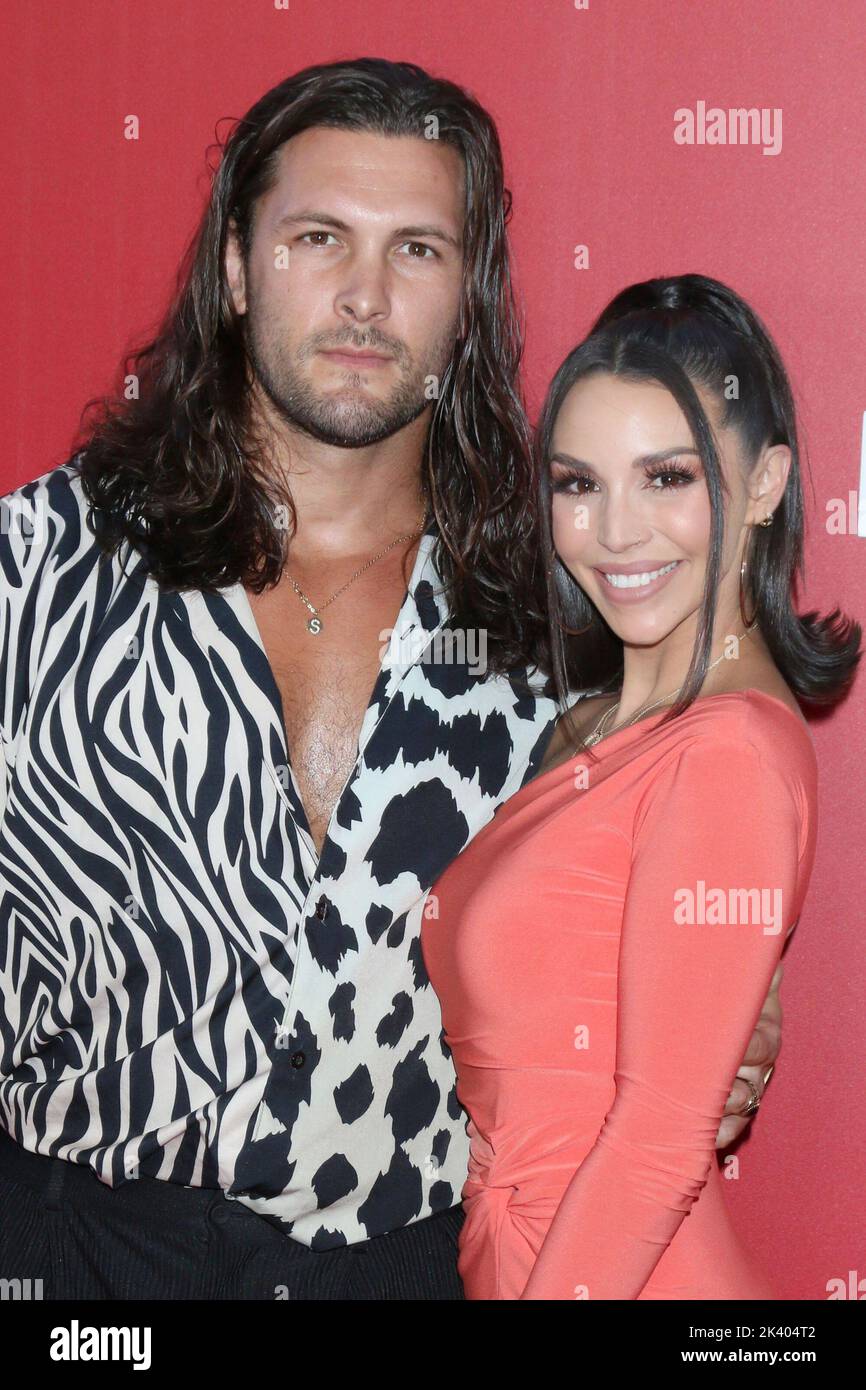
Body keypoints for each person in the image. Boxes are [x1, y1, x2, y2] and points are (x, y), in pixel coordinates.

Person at [0, 62, 778, 1301]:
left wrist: (726, 994)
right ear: (240, 268)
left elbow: (666, 915)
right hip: (78, 1258)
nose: (364, 297)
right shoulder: (36, 568)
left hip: (404, 1262)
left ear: (466, 298)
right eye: (319, 239)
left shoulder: (562, 616)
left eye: (417, 249)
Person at [422, 273, 861, 1300]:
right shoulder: (587, 725)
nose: (614, 532)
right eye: (577, 483)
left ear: (762, 486)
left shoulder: (727, 754)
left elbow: (654, 1149)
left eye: (666, 478)